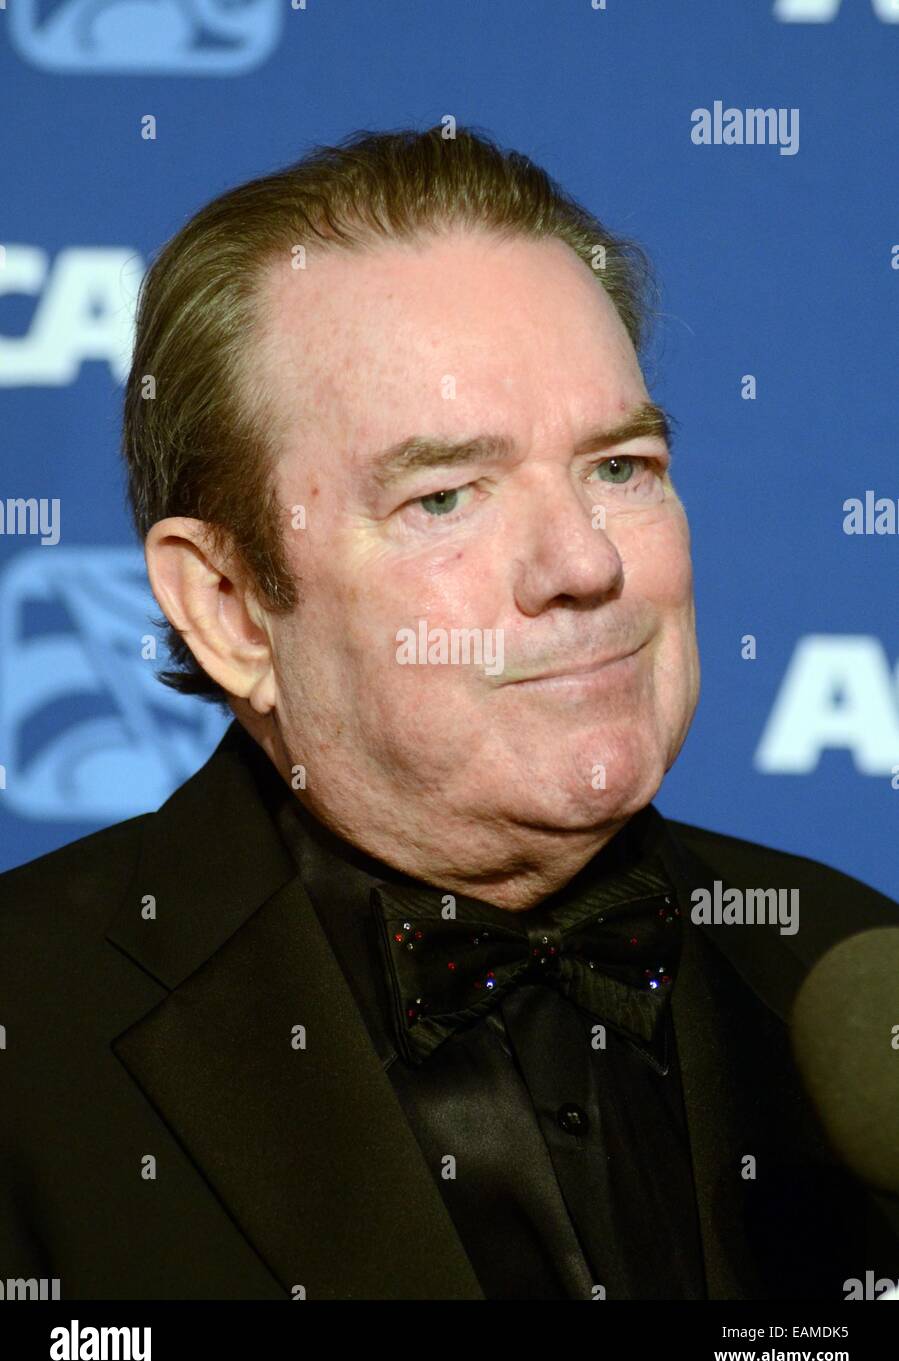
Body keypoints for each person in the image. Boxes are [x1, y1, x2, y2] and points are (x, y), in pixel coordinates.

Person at [1, 126, 896, 1301]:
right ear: (227, 607)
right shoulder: (33, 1036)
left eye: (618, 467)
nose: (582, 562)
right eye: (443, 497)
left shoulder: (840, 968)